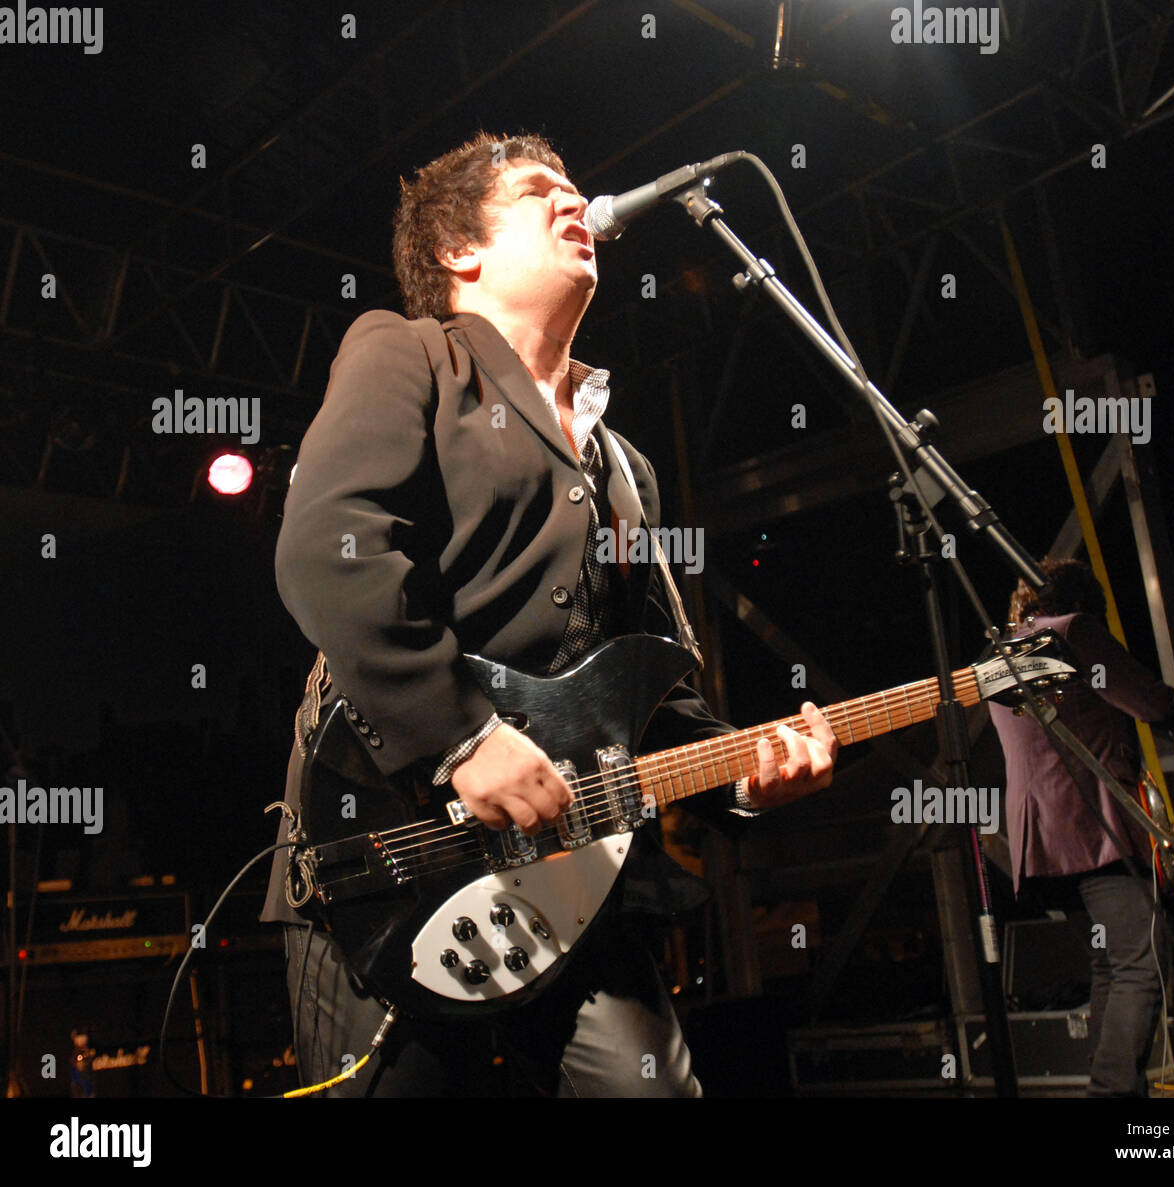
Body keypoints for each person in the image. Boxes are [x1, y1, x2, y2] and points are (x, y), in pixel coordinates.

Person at [260, 131, 838, 1096]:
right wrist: (460, 736)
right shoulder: (408, 355)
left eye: (577, 188)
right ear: (460, 251)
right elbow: (328, 549)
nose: (579, 203)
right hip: (388, 864)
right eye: (540, 192)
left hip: (575, 884)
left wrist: (743, 772)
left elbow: (653, 690)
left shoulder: (626, 469)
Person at [988, 558, 1174, 1097]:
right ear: (1082, 597)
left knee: (1110, 965)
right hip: (1093, 830)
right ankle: (1113, 1094)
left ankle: (1117, 1089)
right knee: (1143, 965)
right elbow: (1145, 699)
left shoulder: (996, 657)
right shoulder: (1074, 632)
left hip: (1039, 845)